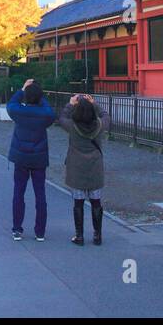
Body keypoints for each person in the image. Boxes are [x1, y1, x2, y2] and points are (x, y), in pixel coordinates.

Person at [6, 79, 56, 242]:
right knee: (40, 194)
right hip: (39, 157)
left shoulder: (18, 112)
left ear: (26, 97)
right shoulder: (45, 115)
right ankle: (40, 231)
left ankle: (17, 229)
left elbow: (11, 103)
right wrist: (38, 94)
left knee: (18, 192)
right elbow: (49, 111)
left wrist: (23, 89)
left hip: (21, 157)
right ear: (40, 97)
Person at [58, 93, 110, 245]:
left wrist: (70, 104)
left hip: (77, 167)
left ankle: (79, 236)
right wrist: (94, 104)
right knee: (96, 202)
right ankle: (97, 235)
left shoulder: (72, 126)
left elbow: (62, 118)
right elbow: (106, 115)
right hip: (95, 166)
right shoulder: (100, 125)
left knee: (78, 202)